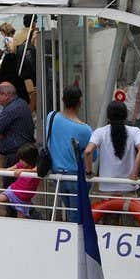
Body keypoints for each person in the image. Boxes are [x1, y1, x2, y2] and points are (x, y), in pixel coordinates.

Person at [47, 86, 93, 223]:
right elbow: (91, 155)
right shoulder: (85, 129)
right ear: (80, 102)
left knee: (72, 212)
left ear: (63, 100)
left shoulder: (51, 117)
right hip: (75, 176)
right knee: (78, 217)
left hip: (56, 175)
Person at [84, 101, 140, 196]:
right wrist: (134, 173)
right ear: (125, 115)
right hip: (128, 187)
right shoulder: (136, 132)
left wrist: (89, 172)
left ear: (108, 116)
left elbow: (88, 151)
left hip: (106, 188)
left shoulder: (99, 132)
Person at [0, 82, 35, 185]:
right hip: (22, 150)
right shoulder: (21, 103)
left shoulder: (11, 109)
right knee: (20, 186)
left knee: (11, 187)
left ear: (6, 95)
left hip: (15, 154)